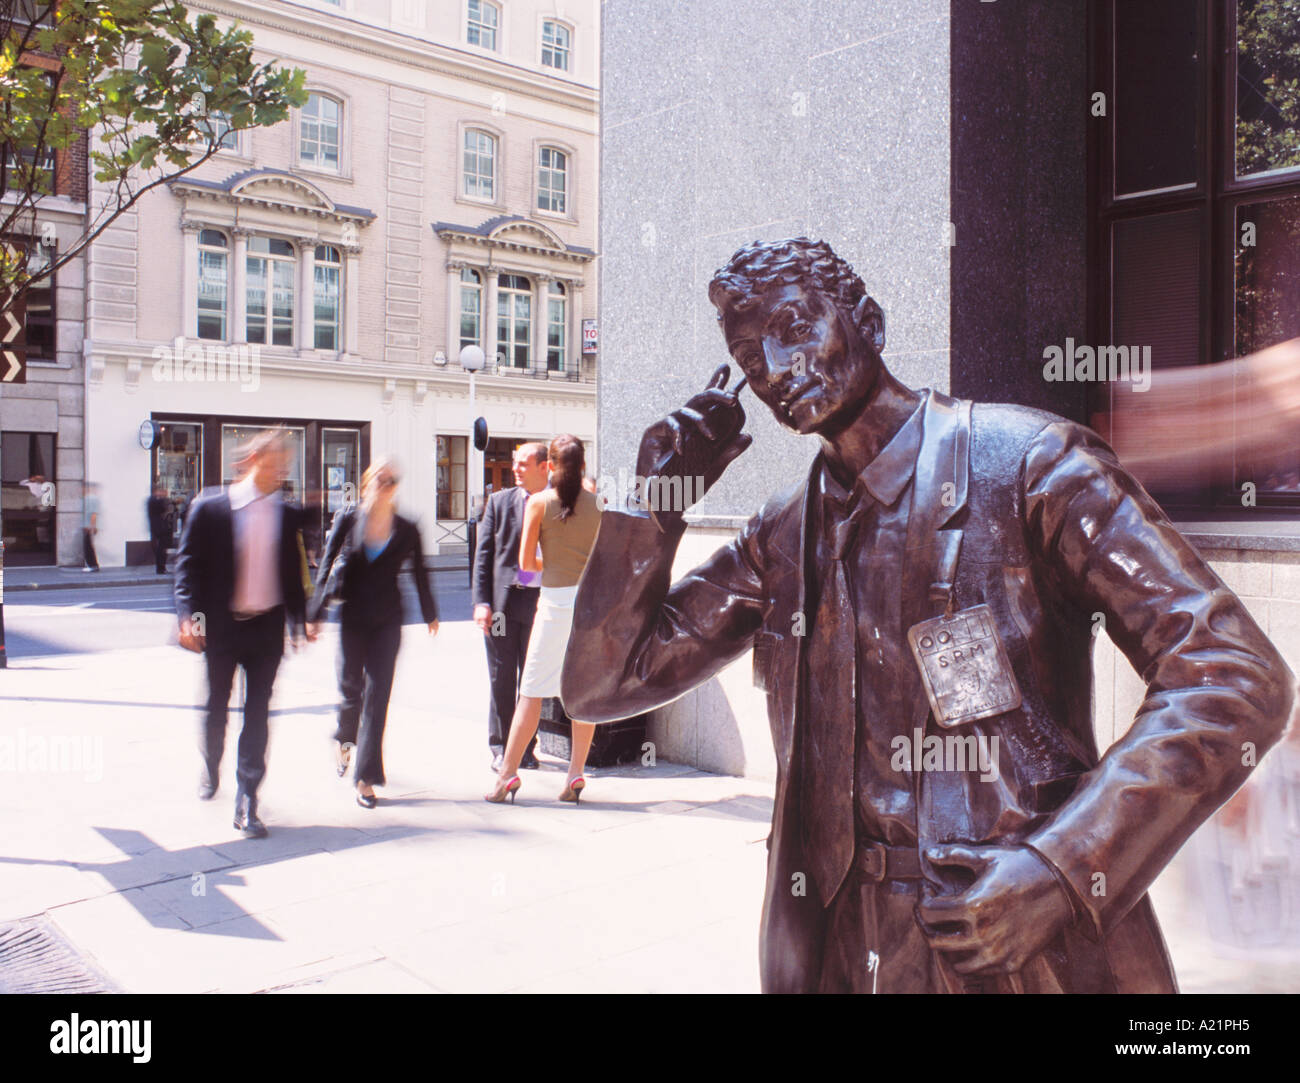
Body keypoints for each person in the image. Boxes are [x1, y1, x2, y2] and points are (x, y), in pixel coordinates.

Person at [560, 237, 1296, 993]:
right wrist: (656, 503)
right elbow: (601, 685)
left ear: (868, 321)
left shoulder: (1031, 463)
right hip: (836, 948)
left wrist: (1062, 868)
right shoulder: (781, 534)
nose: (777, 369)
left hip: (1011, 938)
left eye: (795, 326)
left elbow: (1233, 673)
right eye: (751, 361)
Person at [173, 427, 315, 838]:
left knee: (258, 712)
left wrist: (299, 621)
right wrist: (189, 619)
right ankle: (211, 761)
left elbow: (291, 573)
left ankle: (247, 799)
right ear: (253, 462)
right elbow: (188, 569)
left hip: (265, 629)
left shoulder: (284, 513)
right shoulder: (209, 507)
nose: (281, 472)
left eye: (284, 465)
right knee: (216, 703)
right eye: (275, 464)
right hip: (220, 628)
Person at [309, 458, 438, 809]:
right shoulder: (349, 519)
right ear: (367, 482)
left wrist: (430, 612)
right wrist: (315, 613)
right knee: (351, 691)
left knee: (378, 696)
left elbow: (420, 572)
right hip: (352, 618)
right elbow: (327, 561)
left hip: (387, 621)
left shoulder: (407, 527)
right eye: (381, 479)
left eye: (393, 480)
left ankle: (365, 777)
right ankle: (344, 738)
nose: (387, 485)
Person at [486, 435, 601, 805]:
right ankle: (575, 774)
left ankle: (506, 775)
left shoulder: (538, 503)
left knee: (531, 691)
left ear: (549, 466)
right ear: (582, 466)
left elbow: (525, 566)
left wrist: (550, 562)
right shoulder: (599, 504)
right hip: (589, 605)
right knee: (582, 693)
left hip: (553, 603)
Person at [473, 443, 549, 773]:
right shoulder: (500, 503)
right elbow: (483, 556)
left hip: (539, 604)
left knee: (531, 682)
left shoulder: (557, 504)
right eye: (515, 463)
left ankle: (526, 749)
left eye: (523, 464)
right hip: (503, 605)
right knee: (501, 677)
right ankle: (501, 747)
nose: (515, 469)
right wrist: (482, 602)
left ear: (543, 467)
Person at [146, 484, 172, 575]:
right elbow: (162, 508)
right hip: (159, 528)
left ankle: (161, 567)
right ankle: (161, 568)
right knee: (161, 549)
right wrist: (164, 498)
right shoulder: (154, 500)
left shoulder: (153, 500)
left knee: (161, 549)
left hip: (157, 528)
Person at [81, 481, 100, 572]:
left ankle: (93, 566)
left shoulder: (92, 499)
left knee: (88, 546)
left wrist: (92, 526)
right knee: (88, 545)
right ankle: (92, 565)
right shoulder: (88, 498)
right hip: (87, 526)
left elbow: (94, 514)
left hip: (89, 527)